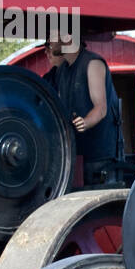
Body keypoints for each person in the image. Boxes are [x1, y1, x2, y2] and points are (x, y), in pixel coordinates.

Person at [43, 26, 125, 186]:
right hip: (76, 155)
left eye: (54, 38)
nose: (50, 43)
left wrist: (85, 122)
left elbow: (101, 109)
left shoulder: (92, 63)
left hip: (99, 158)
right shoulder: (62, 71)